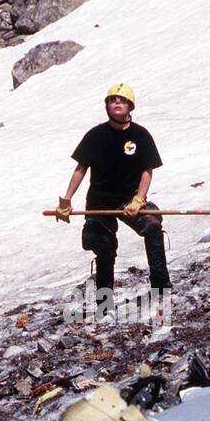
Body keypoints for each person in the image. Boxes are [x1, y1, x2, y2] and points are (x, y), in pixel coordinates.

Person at [56, 83, 171, 298]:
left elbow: (147, 170)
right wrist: (67, 200)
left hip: (130, 199)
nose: (117, 102)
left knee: (153, 224)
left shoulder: (141, 135)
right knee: (104, 246)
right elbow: (81, 168)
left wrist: (139, 199)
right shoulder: (95, 136)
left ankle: (162, 289)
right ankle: (104, 303)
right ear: (107, 106)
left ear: (130, 107)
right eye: (112, 99)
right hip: (99, 201)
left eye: (122, 100)